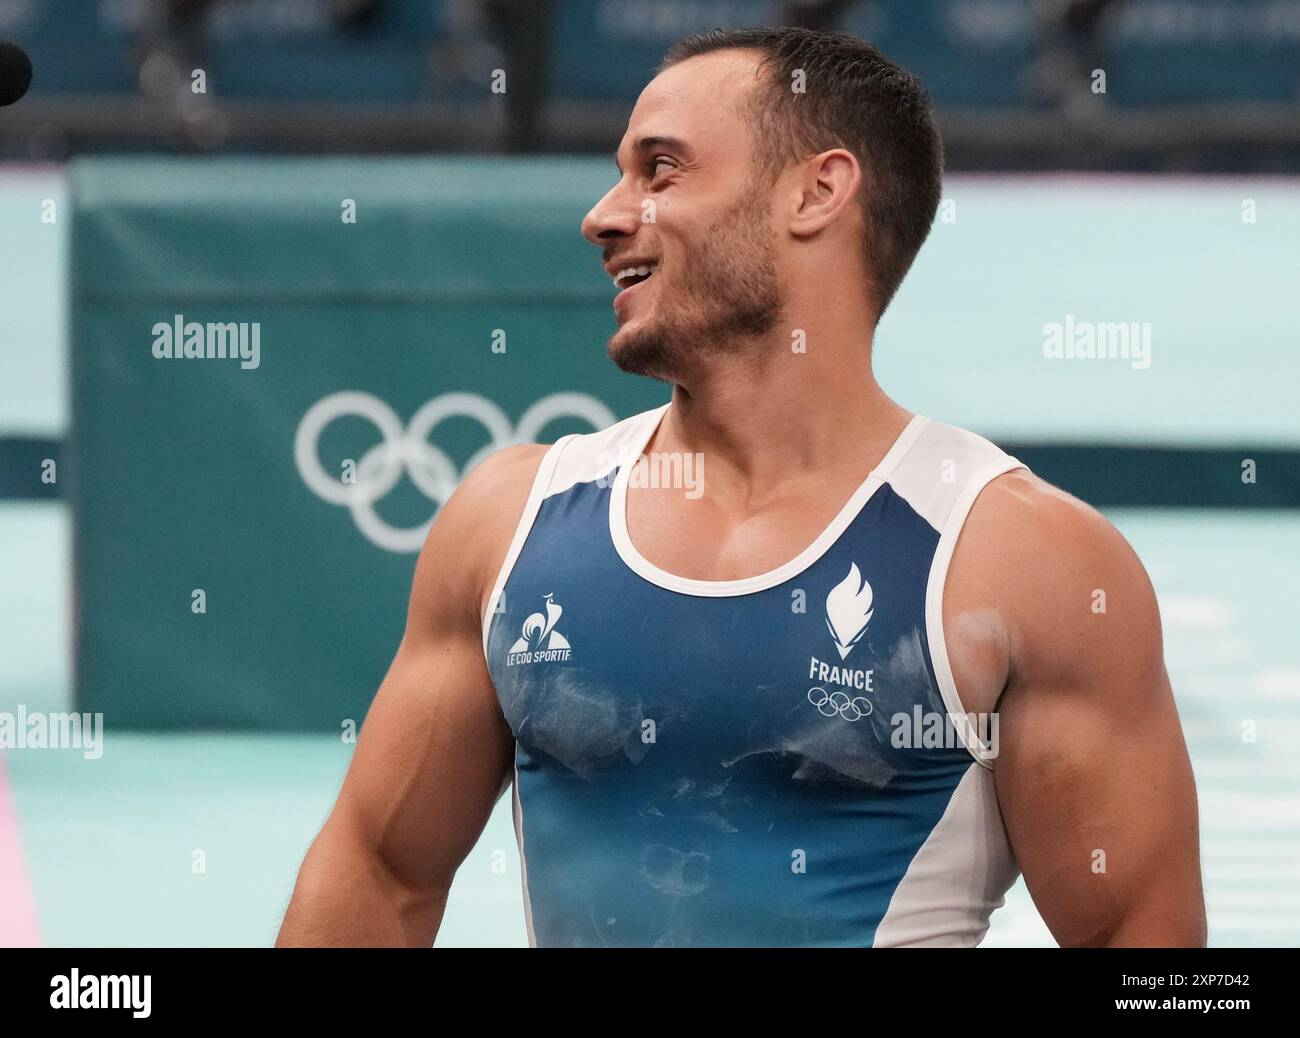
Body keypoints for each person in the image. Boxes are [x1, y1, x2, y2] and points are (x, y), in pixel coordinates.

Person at [277, 27, 1205, 947]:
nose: (603, 215)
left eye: (661, 170)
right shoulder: (508, 520)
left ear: (816, 192)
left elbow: (1147, 952)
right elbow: (379, 876)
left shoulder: (1022, 560)